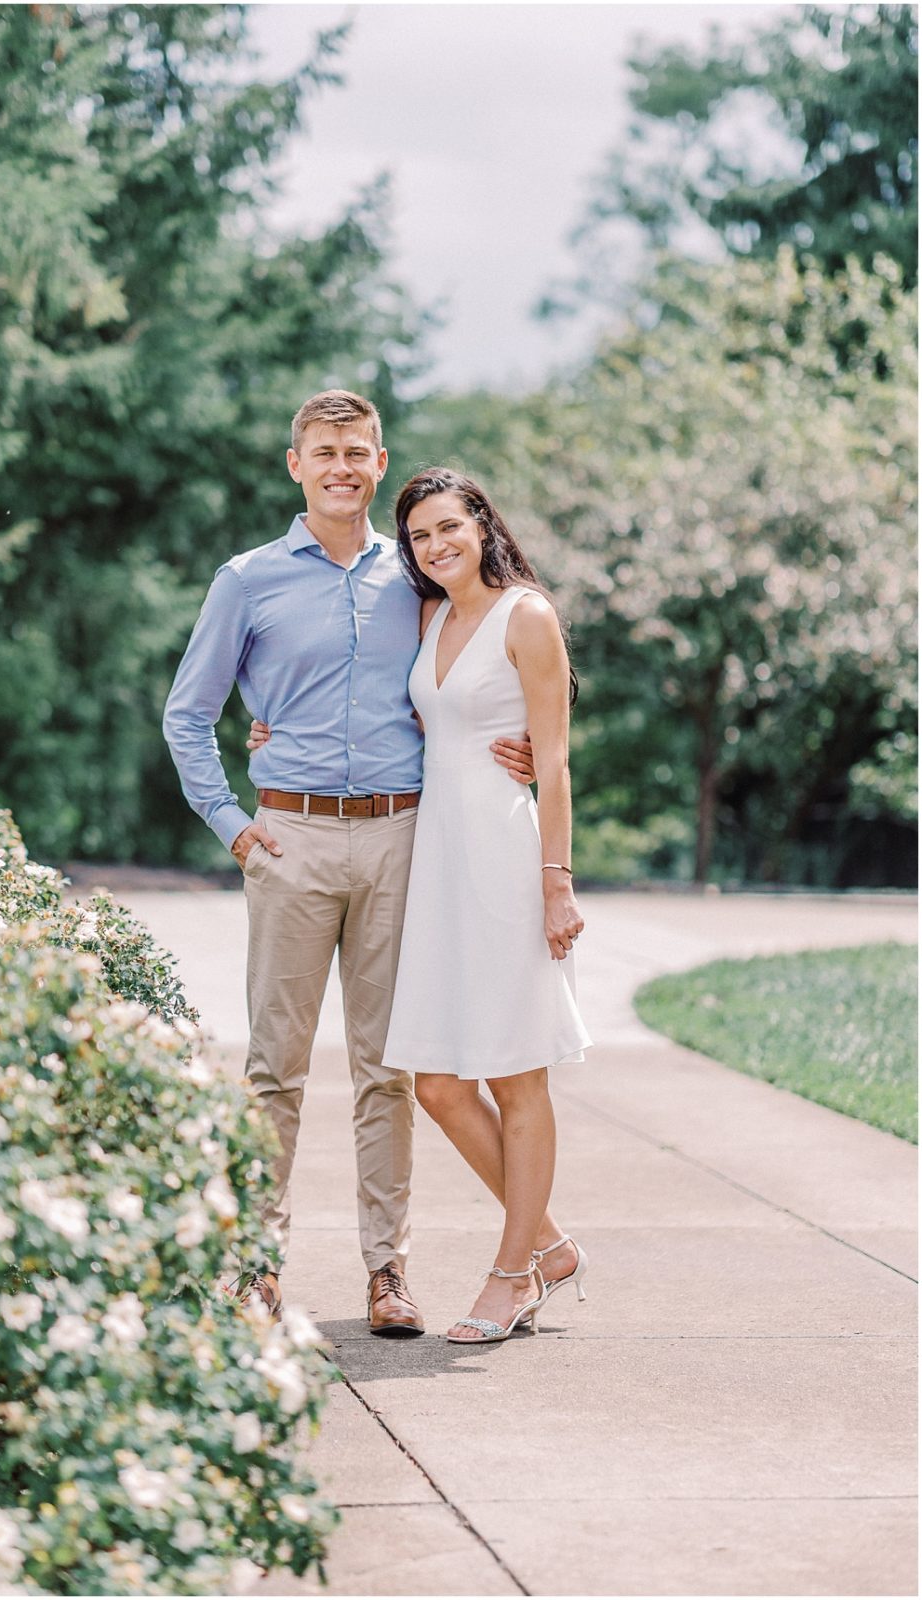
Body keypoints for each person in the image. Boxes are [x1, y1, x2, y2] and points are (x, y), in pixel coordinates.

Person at [162, 391, 536, 1336]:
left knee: (388, 1071)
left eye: (357, 452)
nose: (342, 467)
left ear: (379, 462)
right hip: (288, 840)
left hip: (402, 839)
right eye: (324, 452)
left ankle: (388, 1273)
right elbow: (188, 713)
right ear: (296, 465)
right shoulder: (247, 580)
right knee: (274, 1070)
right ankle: (255, 1269)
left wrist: (526, 740)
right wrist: (230, 823)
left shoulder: (418, 575)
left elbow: (499, 651)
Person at [381, 467, 593, 1344]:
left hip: (506, 859)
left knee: (515, 1072)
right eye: (419, 536)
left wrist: (556, 882)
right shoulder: (430, 617)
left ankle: (512, 1276)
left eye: (448, 527)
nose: (436, 546)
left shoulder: (526, 615)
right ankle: (549, 1244)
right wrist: (272, 731)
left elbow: (556, 760)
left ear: (481, 525)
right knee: (437, 1083)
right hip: (438, 861)